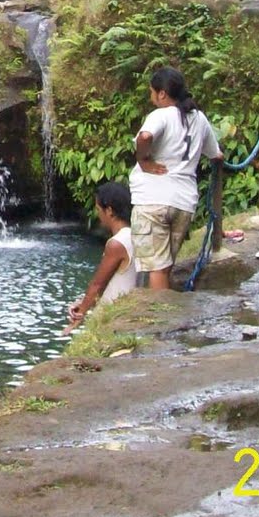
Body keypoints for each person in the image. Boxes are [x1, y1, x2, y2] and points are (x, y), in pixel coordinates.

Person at [128, 67, 224, 291]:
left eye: (152, 92)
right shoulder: (199, 118)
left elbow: (145, 136)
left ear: (162, 94)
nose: (151, 97)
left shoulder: (160, 115)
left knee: (157, 268)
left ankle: (159, 317)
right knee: (165, 266)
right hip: (183, 202)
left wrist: (144, 161)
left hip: (152, 201)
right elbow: (216, 155)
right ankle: (162, 310)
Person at [64, 181, 139, 334]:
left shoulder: (116, 244)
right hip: (126, 306)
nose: (98, 214)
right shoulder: (135, 235)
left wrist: (80, 313)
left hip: (112, 314)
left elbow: (97, 284)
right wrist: (83, 303)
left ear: (109, 210)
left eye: (98, 209)